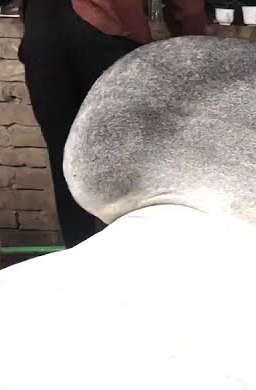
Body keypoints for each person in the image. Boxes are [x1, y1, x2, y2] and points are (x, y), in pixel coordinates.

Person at [17, 0, 206, 248]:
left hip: (43, 29)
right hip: (106, 31)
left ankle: (81, 255)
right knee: (126, 159)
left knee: (66, 157)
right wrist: (192, 37)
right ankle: (129, 254)